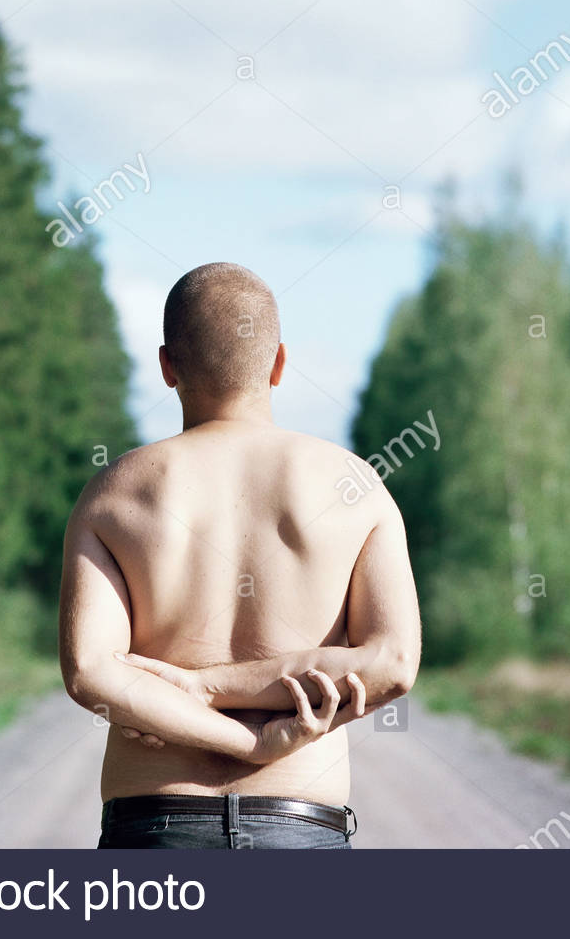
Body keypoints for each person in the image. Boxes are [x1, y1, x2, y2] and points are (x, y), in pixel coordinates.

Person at [59, 262, 421, 849]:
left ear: (167, 366)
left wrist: (206, 694)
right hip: (300, 824)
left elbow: (90, 672)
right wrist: (257, 742)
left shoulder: (115, 491)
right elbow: (394, 662)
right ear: (279, 362)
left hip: (154, 825)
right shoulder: (355, 487)